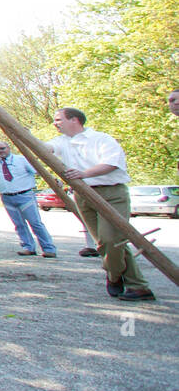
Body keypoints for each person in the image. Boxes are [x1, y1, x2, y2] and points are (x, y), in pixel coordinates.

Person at [49, 107, 154, 301]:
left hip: (111, 192)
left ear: (75, 120)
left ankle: (114, 277)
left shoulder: (101, 139)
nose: (55, 123)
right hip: (83, 195)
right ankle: (138, 287)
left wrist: (84, 174)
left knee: (111, 241)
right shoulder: (62, 142)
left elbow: (112, 163)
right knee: (106, 244)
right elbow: (46, 148)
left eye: (58, 119)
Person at [0, 140, 57, 258]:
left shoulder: (22, 160)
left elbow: (39, 171)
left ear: (9, 148)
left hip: (25, 196)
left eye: (2, 148)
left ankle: (48, 248)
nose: (0, 151)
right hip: (7, 197)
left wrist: (53, 179)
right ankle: (28, 247)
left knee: (35, 223)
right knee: (19, 224)